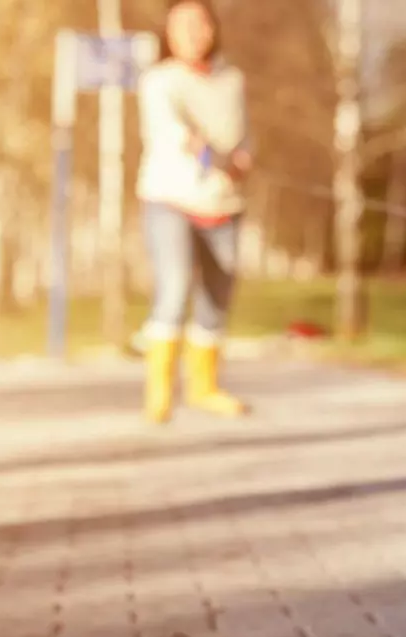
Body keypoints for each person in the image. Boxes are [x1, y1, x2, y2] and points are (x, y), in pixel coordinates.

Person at [136, 0, 252, 423]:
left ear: (212, 28)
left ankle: (204, 387)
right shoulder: (158, 81)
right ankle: (159, 392)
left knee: (218, 296)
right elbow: (171, 131)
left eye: (198, 23)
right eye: (180, 24)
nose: (190, 32)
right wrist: (203, 149)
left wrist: (242, 159)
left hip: (224, 202)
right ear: (167, 33)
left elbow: (243, 134)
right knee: (176, 283)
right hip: (170, 197)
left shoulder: (233, 80)